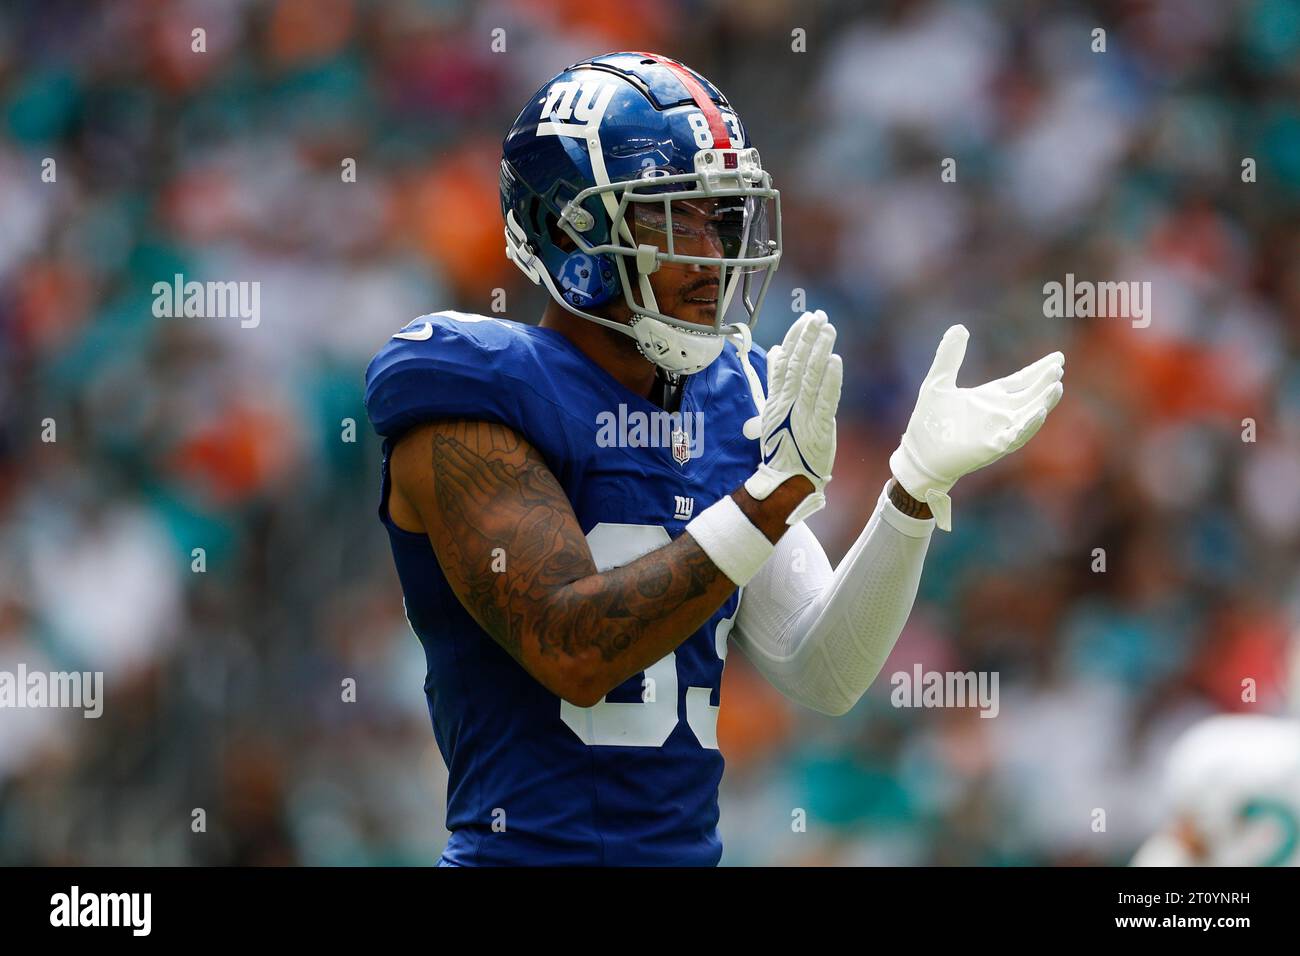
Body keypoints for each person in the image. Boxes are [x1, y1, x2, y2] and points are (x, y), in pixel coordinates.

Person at [364, 51, 1065, 865]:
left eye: (723, 217)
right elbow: (573, 646)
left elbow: (822, 671)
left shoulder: (731, 393)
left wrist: (910, 493)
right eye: (674, 218)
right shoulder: (474, 390)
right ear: (571, 230)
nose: (712, 253)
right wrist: (768, 501)